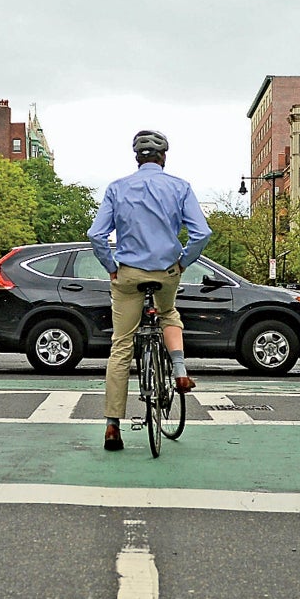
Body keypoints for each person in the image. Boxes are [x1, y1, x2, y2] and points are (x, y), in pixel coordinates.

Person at [87, 130, 212, 451]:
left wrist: (111, 267)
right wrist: (183, 261)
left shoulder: (117, 188)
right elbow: (201, 233)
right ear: (163, 157)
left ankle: (112, 426)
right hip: (167, 271)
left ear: (136, 159)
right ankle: (180, 370)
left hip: (128, 274)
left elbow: (97, 235)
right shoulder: (180, 187)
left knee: (121, 344)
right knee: (168, 313)